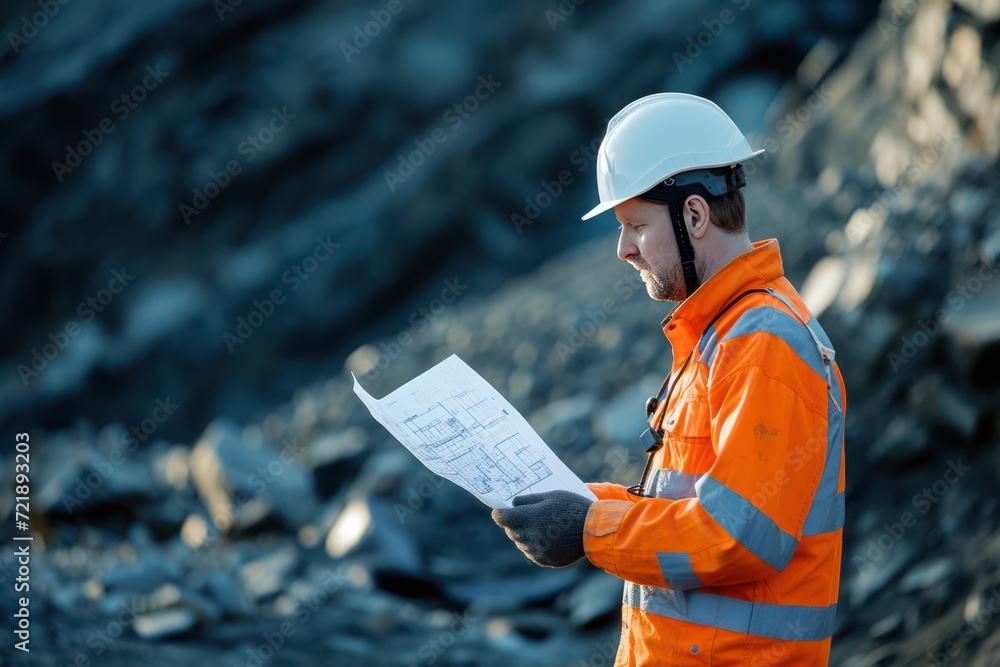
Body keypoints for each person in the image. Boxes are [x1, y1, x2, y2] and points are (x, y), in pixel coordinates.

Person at [492, 93, 846, 666]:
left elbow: (737, 536)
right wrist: (583, 504)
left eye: (634, 225)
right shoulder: (721, 335)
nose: (622, 249)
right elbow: (692, 506)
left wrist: (589, 528)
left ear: (696, 216)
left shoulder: (763, 345)